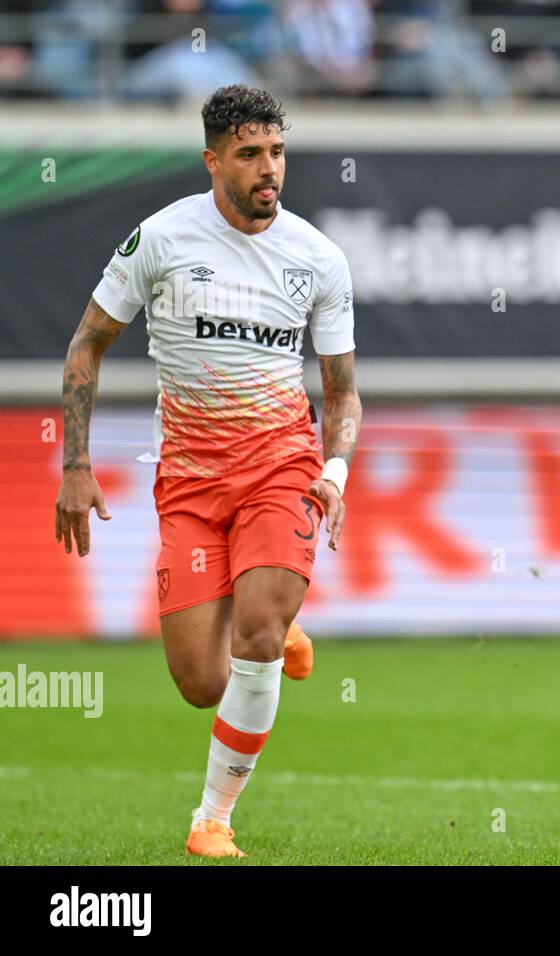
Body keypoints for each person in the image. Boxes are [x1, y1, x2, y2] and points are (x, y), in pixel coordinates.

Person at [54, 84, 362, 858]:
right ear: (213, 160)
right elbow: (87, 343)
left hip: (281, 467)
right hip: (190, 478)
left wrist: (335, 468)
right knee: (199, 682)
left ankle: (212, 819)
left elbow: (342, 393)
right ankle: (283, 630)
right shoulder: (159, 240)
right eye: (251, 155)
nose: (270, 171)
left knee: (252, 634)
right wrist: (76, 465)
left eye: (278, 153)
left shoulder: (318, 258)